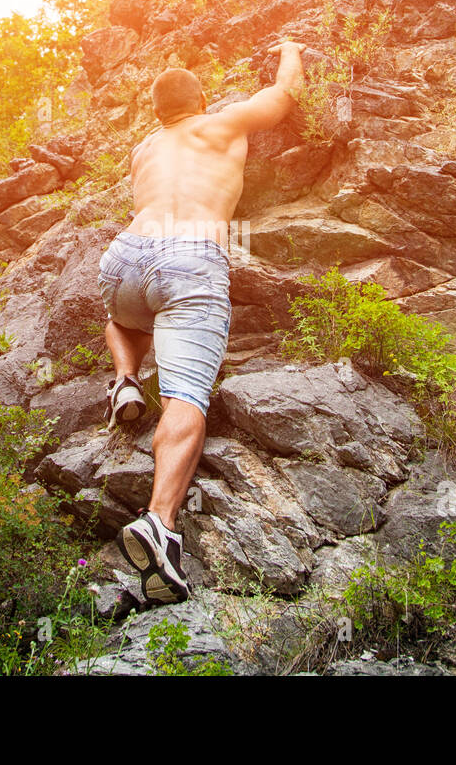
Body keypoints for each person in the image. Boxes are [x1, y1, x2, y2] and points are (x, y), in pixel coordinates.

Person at [97, 41, 305, 605]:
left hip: (125, 257)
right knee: (188, 395)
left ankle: (123, 380)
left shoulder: (144, 148)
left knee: (121, 317)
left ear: (157, 111)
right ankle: (159, 524)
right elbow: (283, 97)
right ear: (204, 99)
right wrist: (289, 49)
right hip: (189, 256)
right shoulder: (220, 123)